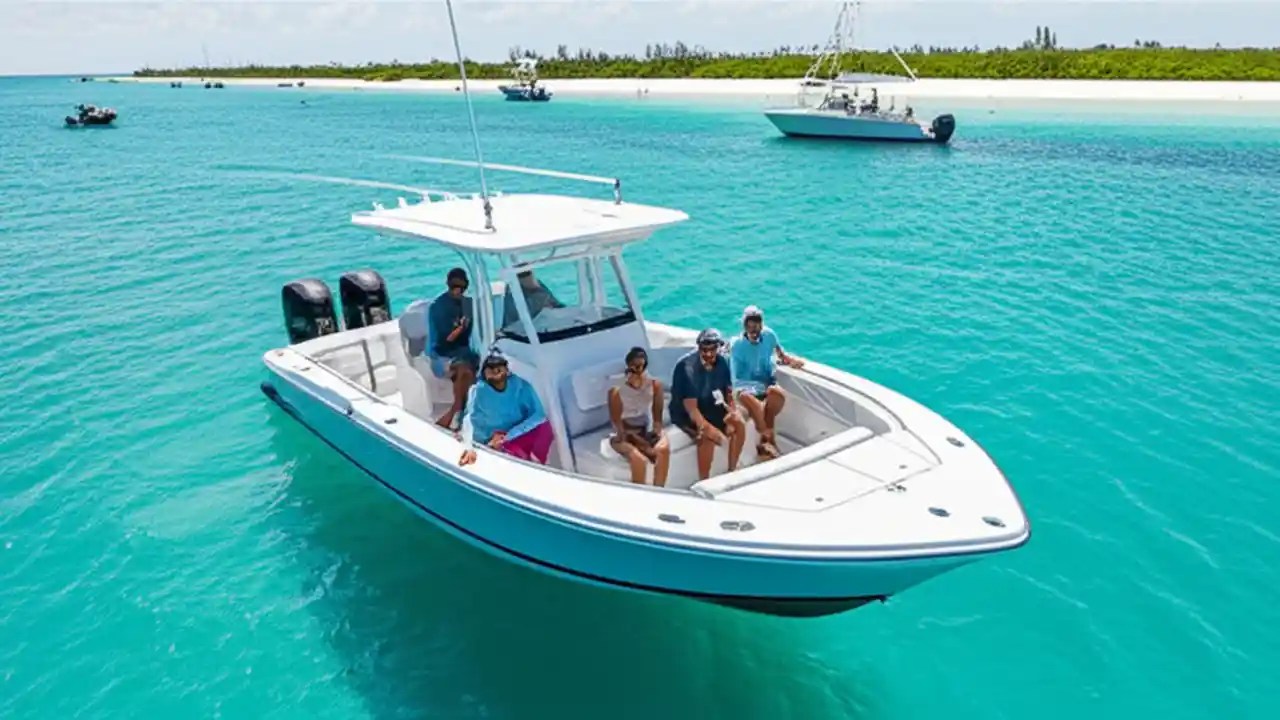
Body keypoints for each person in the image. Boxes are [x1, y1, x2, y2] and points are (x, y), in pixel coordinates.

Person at [669, 328, 746, 481]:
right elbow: (691, 408)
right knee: (706, 437)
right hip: (688, 413)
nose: (709, 354)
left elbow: (729, 392)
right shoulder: (687, 368)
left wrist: (732, 411)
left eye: (713, 350)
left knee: (739, 422)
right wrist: (709, 429)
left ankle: (733, 470)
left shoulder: (723, 361)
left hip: (713, 406)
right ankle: (705, 480)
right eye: (704, 350)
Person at [730, 305, 804, 460]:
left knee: (778, 395)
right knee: (755, 404)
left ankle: (765, 444)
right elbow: (736, 379)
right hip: (744, 387)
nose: (754, 331)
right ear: (745, 326)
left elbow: (780, 354)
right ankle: (769, 439)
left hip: (765, 383)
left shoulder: (769, 335)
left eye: (756, 327)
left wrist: (791, 361)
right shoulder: (737, 344)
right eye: (750, 327)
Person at [458, 352, 555, 466]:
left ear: (507, 370)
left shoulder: (521, 386)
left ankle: (537, 463)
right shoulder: (478, 391)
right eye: (490, 368)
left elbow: (539, 415)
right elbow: (468, 420)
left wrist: (509, 435)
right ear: (484, 373)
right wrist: (469, 447)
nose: (495, 370)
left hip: (512, 435)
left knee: (545, 428)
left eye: (499, 366)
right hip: (487, 442)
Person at [608, 346, 671, 487]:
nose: (640, 370)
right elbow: (616, 420)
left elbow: (657, 415)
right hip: (625, 432)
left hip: (643, 429)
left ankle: (659, 490)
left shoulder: (654, 385)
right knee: (639, 460)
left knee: (663, 449)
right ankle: (640, 495)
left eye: (643, 366)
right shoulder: (617, 389)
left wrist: (656, 429)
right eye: (636, 366)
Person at [427, 267, 478, 429]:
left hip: (464, 351)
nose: (457, 290)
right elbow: (446, 339)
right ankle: (457, 411)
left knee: (478, 367)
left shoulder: (469, 304)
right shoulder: (438, 307)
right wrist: (461, 328)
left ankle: (468, 412)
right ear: (448, 284)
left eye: (461, 287)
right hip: (442, 354)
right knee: (465, 370)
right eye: (454, 286)